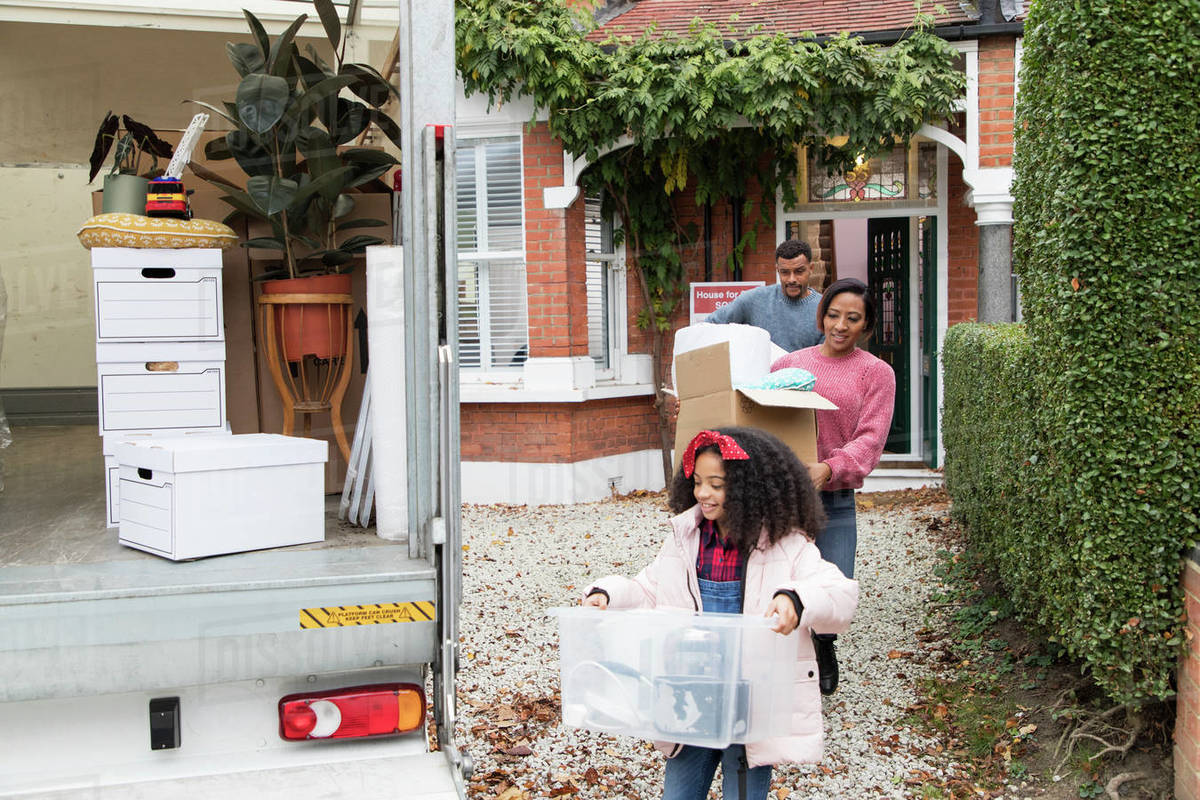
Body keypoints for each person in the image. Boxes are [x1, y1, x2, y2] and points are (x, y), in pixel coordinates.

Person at [582, 427, 858, 800]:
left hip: (751, 702)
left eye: (717, 484)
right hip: (690, 698)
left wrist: (796, 599)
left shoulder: (786, 545)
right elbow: (648, 589)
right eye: (697, 482)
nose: (703, 494)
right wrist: (606, 594)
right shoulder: (684, 539)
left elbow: (840, 594)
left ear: (749, 488)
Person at [769, 277, 895, 696]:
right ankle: (787, 660)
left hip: (835, 498)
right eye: (834, 315)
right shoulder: (788, 366)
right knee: (778, 579)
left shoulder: (876, 373)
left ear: (866, 326)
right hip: (786, 498)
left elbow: (870, 439)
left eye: (852, 319)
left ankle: (824, 646)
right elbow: (756, 416)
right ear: (822, 316)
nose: (840, 326)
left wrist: (829, 467)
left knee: (834, 585)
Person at [705, 239, 824, 352]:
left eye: (799, 271)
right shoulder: (754, 300)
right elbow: (708, 327)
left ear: (811, 269)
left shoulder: (824, 308)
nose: (791, 279)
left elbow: (825, 359)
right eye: (785, 272)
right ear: (777, 270)